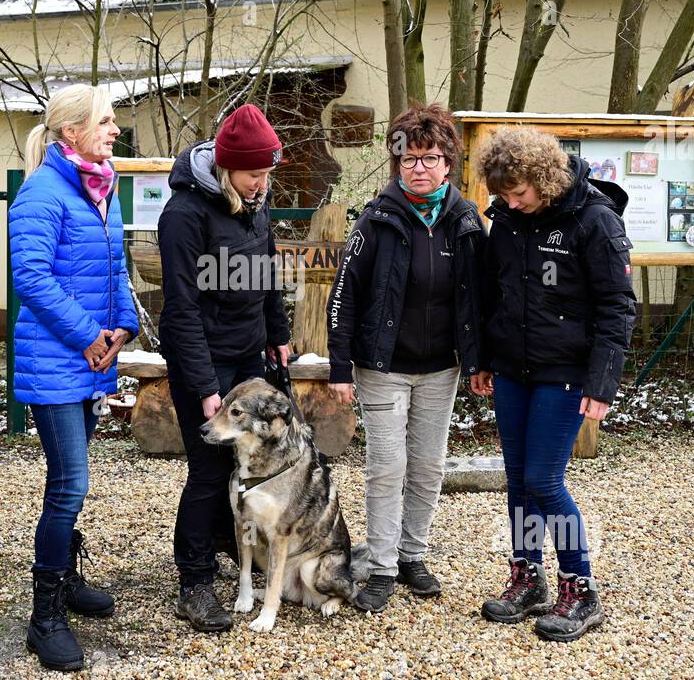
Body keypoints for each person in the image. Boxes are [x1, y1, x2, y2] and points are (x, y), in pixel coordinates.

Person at [469, 126, 636, 642]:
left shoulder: (595, 220)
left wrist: (602, 382)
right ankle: (526, 576)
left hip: (565, 373)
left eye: (518, 194)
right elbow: (492, 294)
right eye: (502, 196)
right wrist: (483, 359)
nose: (511, 204)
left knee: (544, 480)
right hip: (513, 370)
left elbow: (617, 305)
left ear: (543, 179)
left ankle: (580, 589)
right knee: (517, 478)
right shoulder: (507, 221)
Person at [327, 104, 487, 612]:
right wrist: (339, 366)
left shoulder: (465, 222)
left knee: (427, 467)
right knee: (386, 466)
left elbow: (481, 298)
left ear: (449, 163)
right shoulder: (375, 221)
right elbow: (343, 295)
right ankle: (380, 565)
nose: (419, 167)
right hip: (383, 368)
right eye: (409, 158)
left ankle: (413, 555)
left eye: (430, 158)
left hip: (442, 368)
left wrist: (480, 359)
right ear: (396, 162)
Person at [8, 83, 138, 670]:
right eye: (106, 122)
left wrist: (124, 329)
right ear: (71, 132)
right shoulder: (43, 192)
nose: (115, 130)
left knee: (67, 481)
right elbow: (31, 279)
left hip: (90, 360)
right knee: (71, 485)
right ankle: (45, 617)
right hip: (57, 362)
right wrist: (90, 335)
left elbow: (114, 271)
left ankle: (65, 582)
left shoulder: (100, 188)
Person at [158, 104, 292, 632]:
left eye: (266, 174)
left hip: (248, 352)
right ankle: (194, 580)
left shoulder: (255, 202)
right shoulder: (184, 215)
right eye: (254, 174)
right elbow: (183, 308)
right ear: (225, 167)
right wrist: (206, 387)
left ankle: (224, 543)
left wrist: (278, 336)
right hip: (202, 354)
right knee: (210, 470)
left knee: (246, 465)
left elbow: (266, 275)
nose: (262, 183)